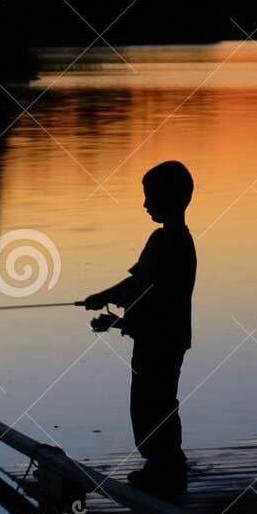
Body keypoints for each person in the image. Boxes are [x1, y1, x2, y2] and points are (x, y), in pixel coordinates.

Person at [84, 160, 197, 490]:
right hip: (168, 337)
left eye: (150, 197)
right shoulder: (178, 239)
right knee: (161, 400)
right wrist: (117, 320)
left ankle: (164, 465)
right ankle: (166, 461)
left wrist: (102, 296)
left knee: (151, 403)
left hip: (158, 341)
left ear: (170, 199)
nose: (145, 204)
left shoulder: (164, 241)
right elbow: (151, 296)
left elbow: (138, 287)